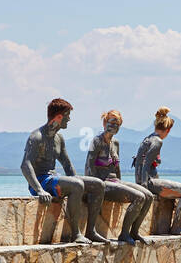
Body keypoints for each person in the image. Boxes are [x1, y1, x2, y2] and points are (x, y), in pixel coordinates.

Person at [22, 97, 113, 245]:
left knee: (98, 185)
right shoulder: (37, 137)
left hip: (54, 178)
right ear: (59, 117)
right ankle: (75, 234)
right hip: (41, 182)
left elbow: (67, 165)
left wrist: (80, 182)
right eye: (67, 116)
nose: (69, 120)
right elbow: (25, 165)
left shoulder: (59, 138)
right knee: (76, 185)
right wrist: (39, 190)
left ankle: (90, 231)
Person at [85, 109, 152, 244]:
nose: (114, 127)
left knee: (148, 196)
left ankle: (134, 231)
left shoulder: (115, 143)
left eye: (118, 125)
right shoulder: (96, 142)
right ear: (104, 123)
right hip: (102, 182)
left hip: (115, 180)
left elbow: (117, 167)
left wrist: (122, 185)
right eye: (112, 123)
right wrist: (92, 190)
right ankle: (124, 233)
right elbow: (89, 166)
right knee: (138, 197)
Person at [132, 108, 181, 235]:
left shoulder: (148, 138)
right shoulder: (157, 141)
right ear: (168, 130)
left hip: (144, 181)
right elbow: (145, 164)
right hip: (149, 183)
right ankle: (176, 228)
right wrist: (144, 188)